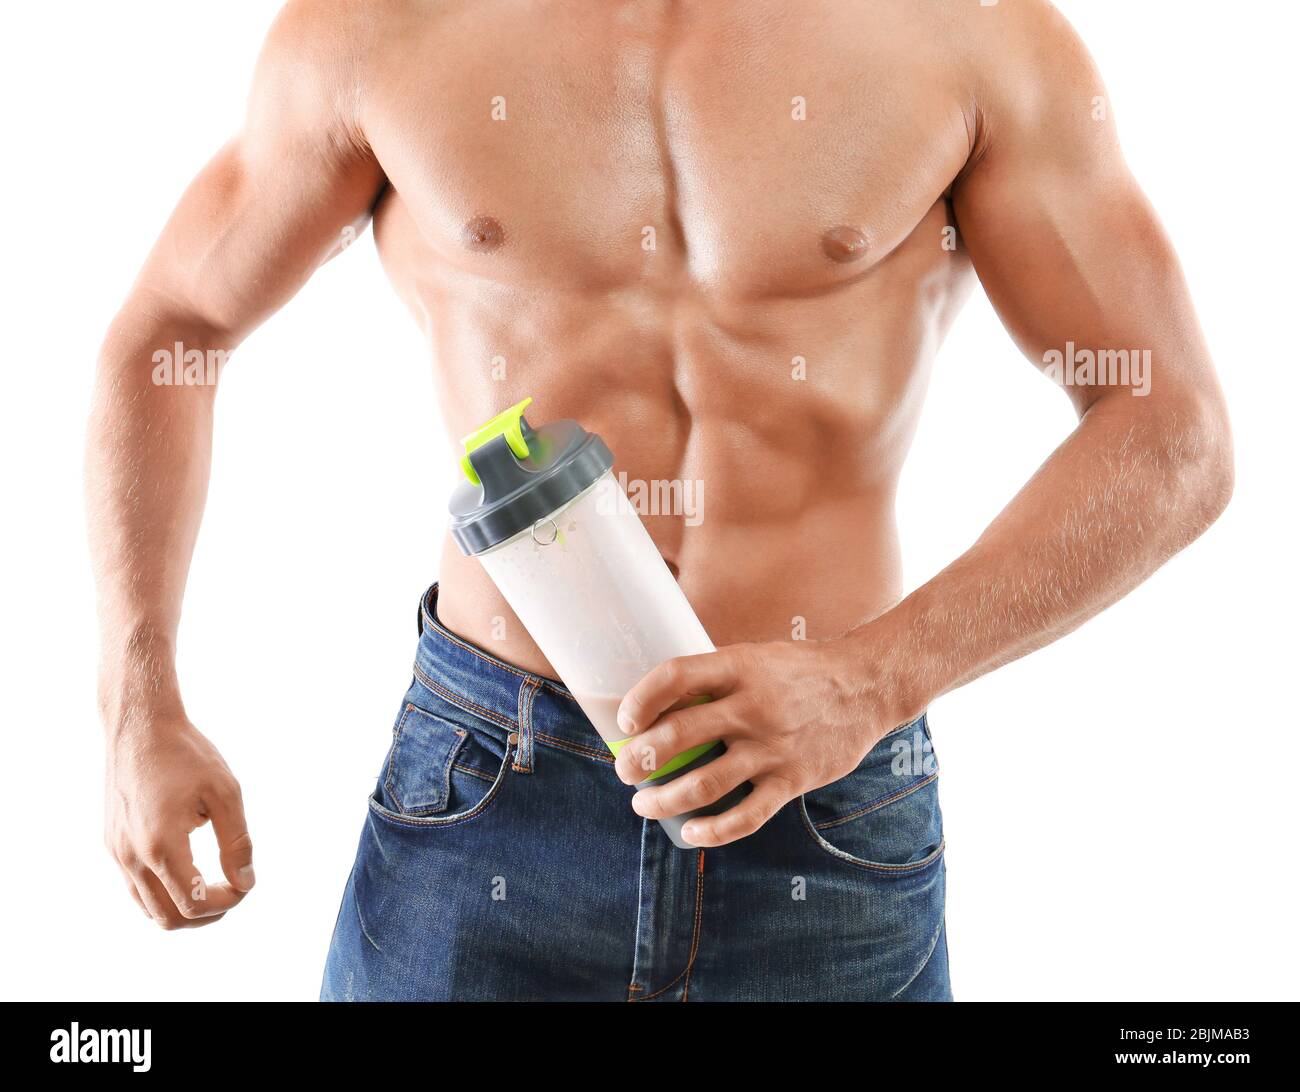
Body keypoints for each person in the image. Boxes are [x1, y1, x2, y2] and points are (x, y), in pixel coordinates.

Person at [87, 0, 1232, 1001]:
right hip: (492, 778)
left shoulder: (968, 35)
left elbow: (1171, 430)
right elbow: (174, 330)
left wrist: (874, 679)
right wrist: (139, 701)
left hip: (827, 795)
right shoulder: (381, 26)